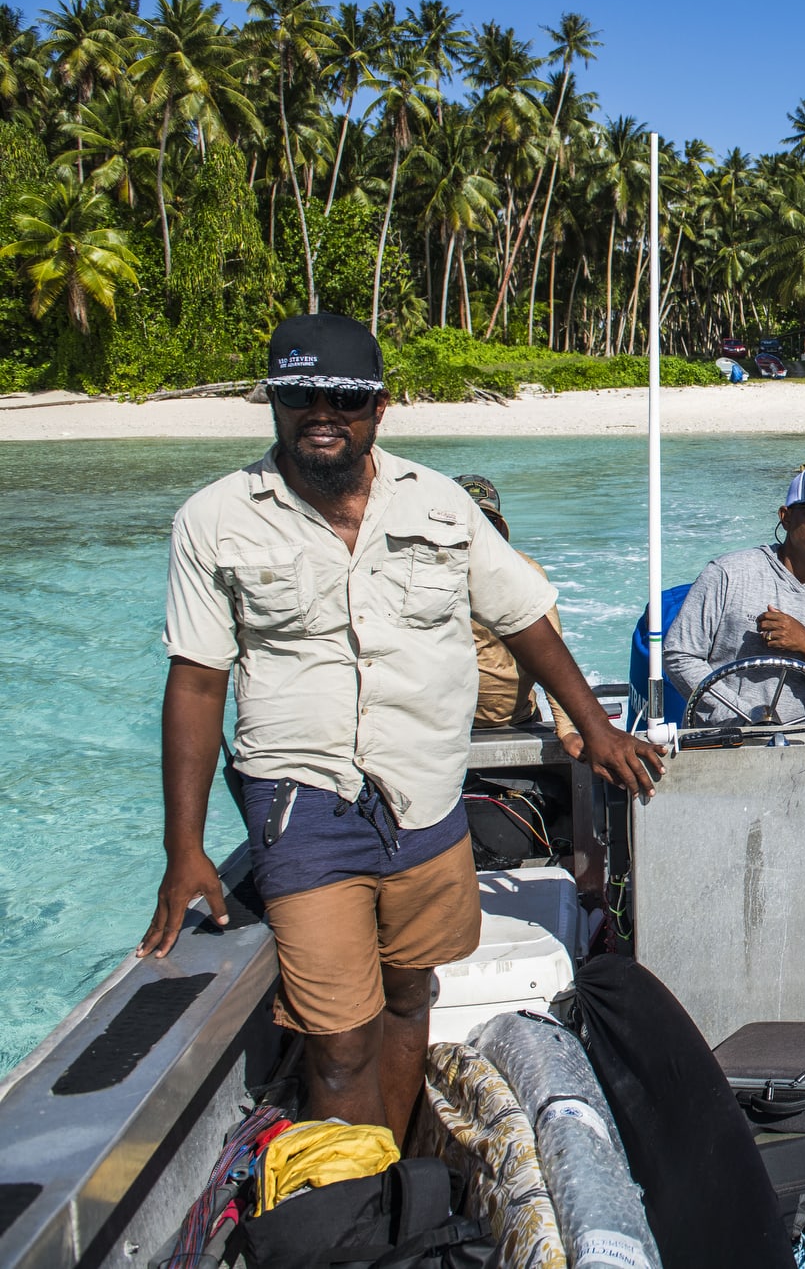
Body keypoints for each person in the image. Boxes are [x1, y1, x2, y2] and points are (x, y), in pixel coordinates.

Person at [139, 313, 662, 1146]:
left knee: (412, 997)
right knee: (339, 1037)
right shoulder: (215, 519)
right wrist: (185, 848)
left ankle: (392, 1185)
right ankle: (353, 1205)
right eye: (300, 394)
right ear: (272, 403)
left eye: (343, 397)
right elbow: (199, 683)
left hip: (426, 801)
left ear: (378, 408)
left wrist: (595, 727)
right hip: (301, 805)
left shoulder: (441, 502)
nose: (322, 412)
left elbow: (524, 618)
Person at [663, 463, 805, 724]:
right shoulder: (728, 573)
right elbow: (679, 655)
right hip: (723, 742)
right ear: (786, 517)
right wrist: (744, 717)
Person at [452, 473, 585, 749]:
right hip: (447, 725)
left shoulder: (526, 573)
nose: (476, 534)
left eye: (486, 524)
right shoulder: (427, 576)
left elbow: (552, 651)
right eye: (467, 523)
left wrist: (567, 727)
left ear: (500, 528)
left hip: (519, 721)